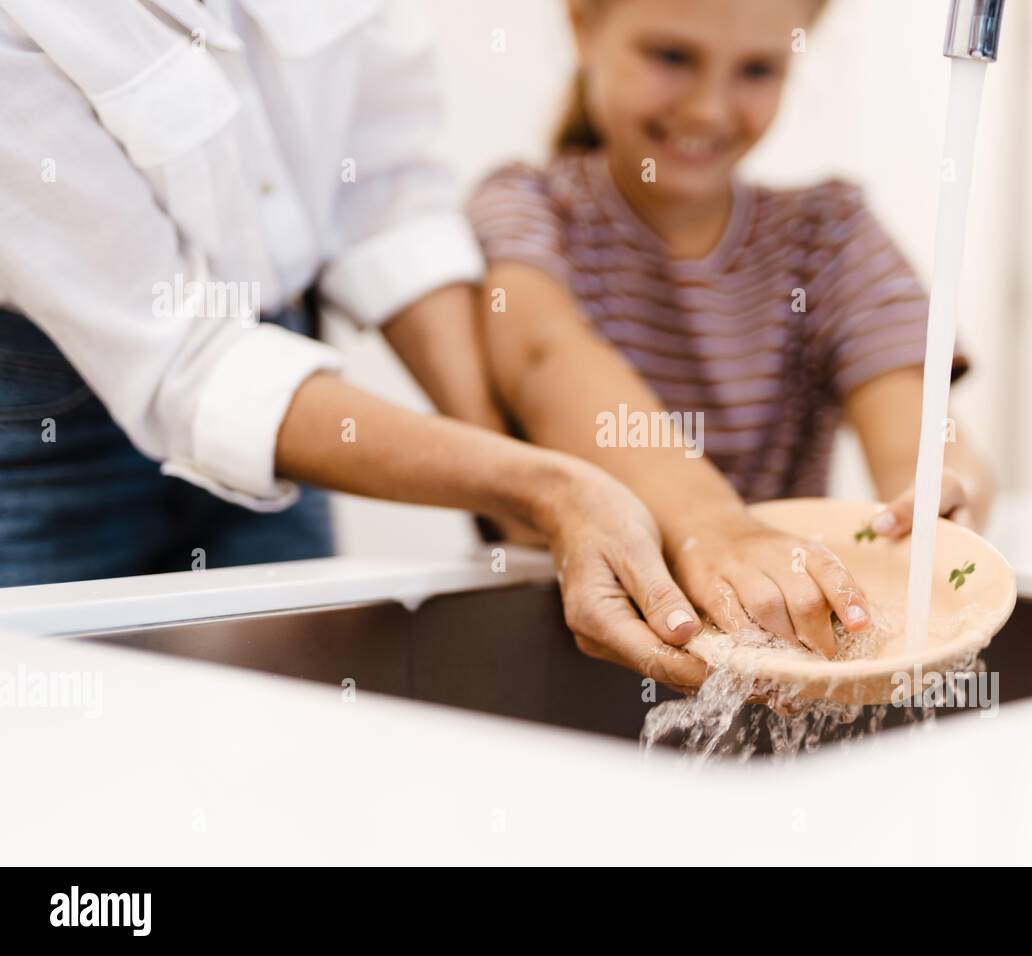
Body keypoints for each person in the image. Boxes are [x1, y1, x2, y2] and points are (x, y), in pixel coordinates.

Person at [0, 0, 709, 689]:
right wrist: (541, 485)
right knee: (55, 748)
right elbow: (186, 361)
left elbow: (385, 199)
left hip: (282, 373)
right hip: (48, 424)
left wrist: (500, 460)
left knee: (285, 725)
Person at [465, 0, 995, 661]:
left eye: (757, 69)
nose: (709, 110)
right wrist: (708, 524)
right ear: (583, 25)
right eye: (671, 56)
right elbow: (544, 355)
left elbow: (920, 439)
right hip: (552, 653)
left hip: (781, 663)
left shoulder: (828, 238)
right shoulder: (529, 209)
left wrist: (948, 489)